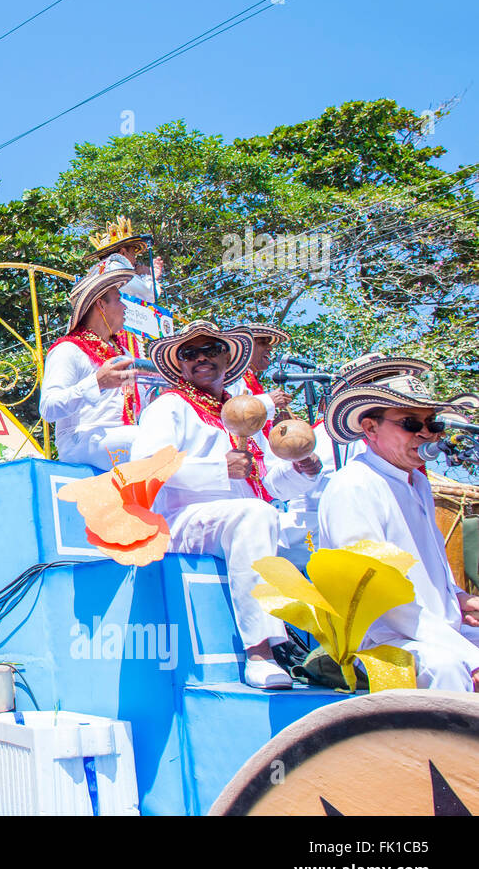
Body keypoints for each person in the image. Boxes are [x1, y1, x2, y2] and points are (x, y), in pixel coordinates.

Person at [132, 320, 322, 688]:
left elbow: (266, 485)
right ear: (181, 365)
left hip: (245, 518)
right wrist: (220, 470)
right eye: (191, 353)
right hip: (181, 520)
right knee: (254, 516)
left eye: (211, 350)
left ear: (228, 356)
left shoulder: (242, 415)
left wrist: (301, 471)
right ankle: (261, 652)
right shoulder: (169, 406)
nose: (201, 358)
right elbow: (146, 468)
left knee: (320, 538)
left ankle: (338, 652)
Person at [318, 356, 479, 691]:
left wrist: (461, 599)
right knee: (447, 668)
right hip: (381, 643)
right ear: (370, 428)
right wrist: (468, 655)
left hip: (431, 632)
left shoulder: (416, 483)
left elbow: (430, 571)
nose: (425, 433)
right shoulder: (355, 485)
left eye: (432, 423)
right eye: (410, 422)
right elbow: (380, 599)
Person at [39, 255, 141, 470]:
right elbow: (48, 408)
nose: (125, 307)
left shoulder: (120, 351)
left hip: (122, 438)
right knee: (146, 440)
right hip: (81, 441)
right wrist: (97, 382)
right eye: (118, 299)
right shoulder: (68, 349)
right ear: (101, 305)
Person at [227, 323, 294, 431]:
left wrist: (275, 425)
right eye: (263, 342)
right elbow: (231, 413)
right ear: (246, 346)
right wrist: (269, 400)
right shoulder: (232, 377)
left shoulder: (252, 380)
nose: (270, 348)